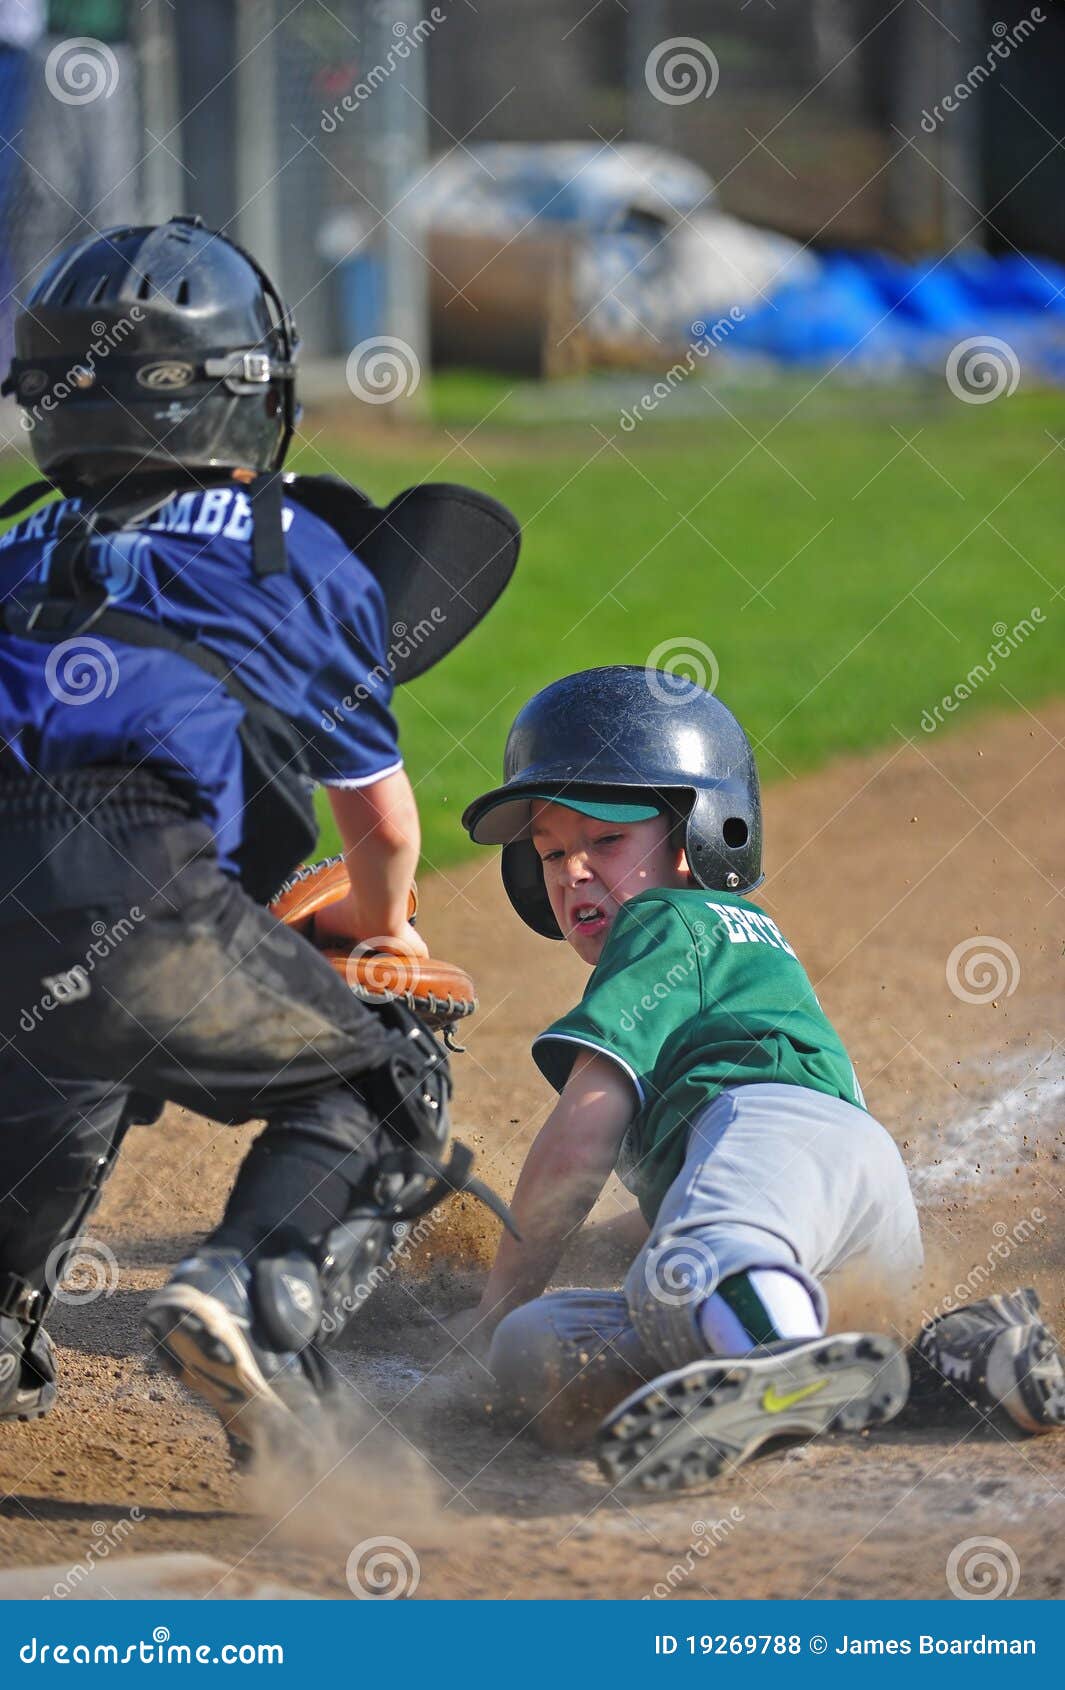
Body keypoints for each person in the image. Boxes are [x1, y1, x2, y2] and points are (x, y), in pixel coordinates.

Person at [0, 215, 514, 1459]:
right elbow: (380, 824)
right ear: (250, 394)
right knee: (376, 1084)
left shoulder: (9, 542)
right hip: (144, 881)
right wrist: (379, 929)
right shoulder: (294, 552)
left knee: (71, 1062)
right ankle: (245, 1292)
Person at [453, 666, 1065, 1493]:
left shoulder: (665, 920)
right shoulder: (728, 947)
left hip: (773, 1148)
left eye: (606, 840)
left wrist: (494, 1301)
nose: (573, 872)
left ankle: (774, 1355)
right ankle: (944, 1371)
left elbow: (583, 1132)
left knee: (668, 1273)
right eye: (552, 852)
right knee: (541, 1343)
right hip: (833, 1228)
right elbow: (709, 1185)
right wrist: (571, 1269)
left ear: (694, 837)